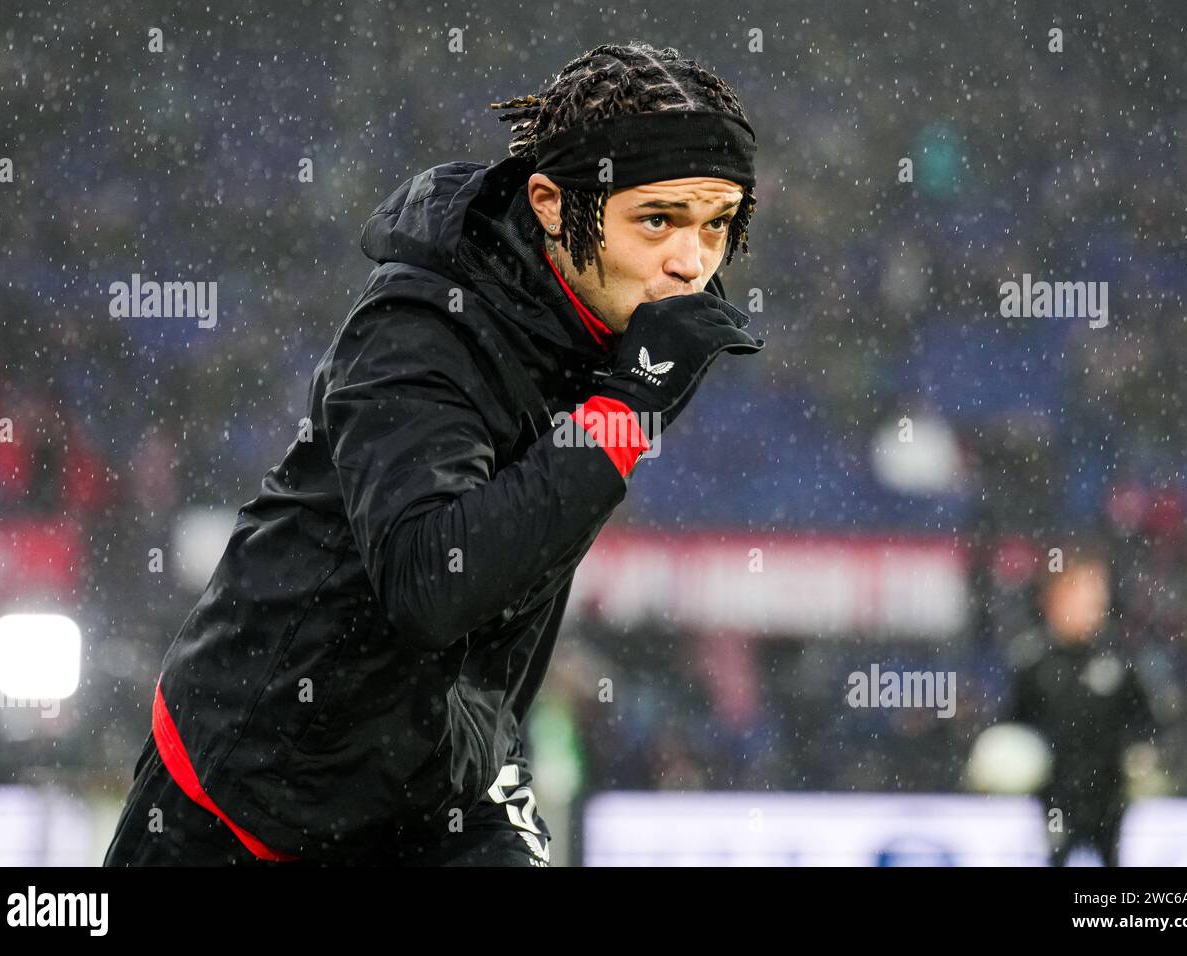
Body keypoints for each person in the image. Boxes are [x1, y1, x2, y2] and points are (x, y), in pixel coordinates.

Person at [104, 41, 764, 866]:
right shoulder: (421, 327)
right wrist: (627, 411)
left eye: (716, 225)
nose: (691, 262)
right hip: (249, 793)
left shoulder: (630, 319)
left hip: (447, 783)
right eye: (657, 220)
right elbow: (434, 582)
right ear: (553, 204)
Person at [1004, 544, 1159, 867]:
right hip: (1054, 801)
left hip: (1110, 800)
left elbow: (1147, 722)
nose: (1096, 604)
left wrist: (1142, 755)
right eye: (1086, 594)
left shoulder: (1120, 659)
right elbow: (1011, 729)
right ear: (1057, 599)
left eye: (1098, 594)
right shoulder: (1034, 663)